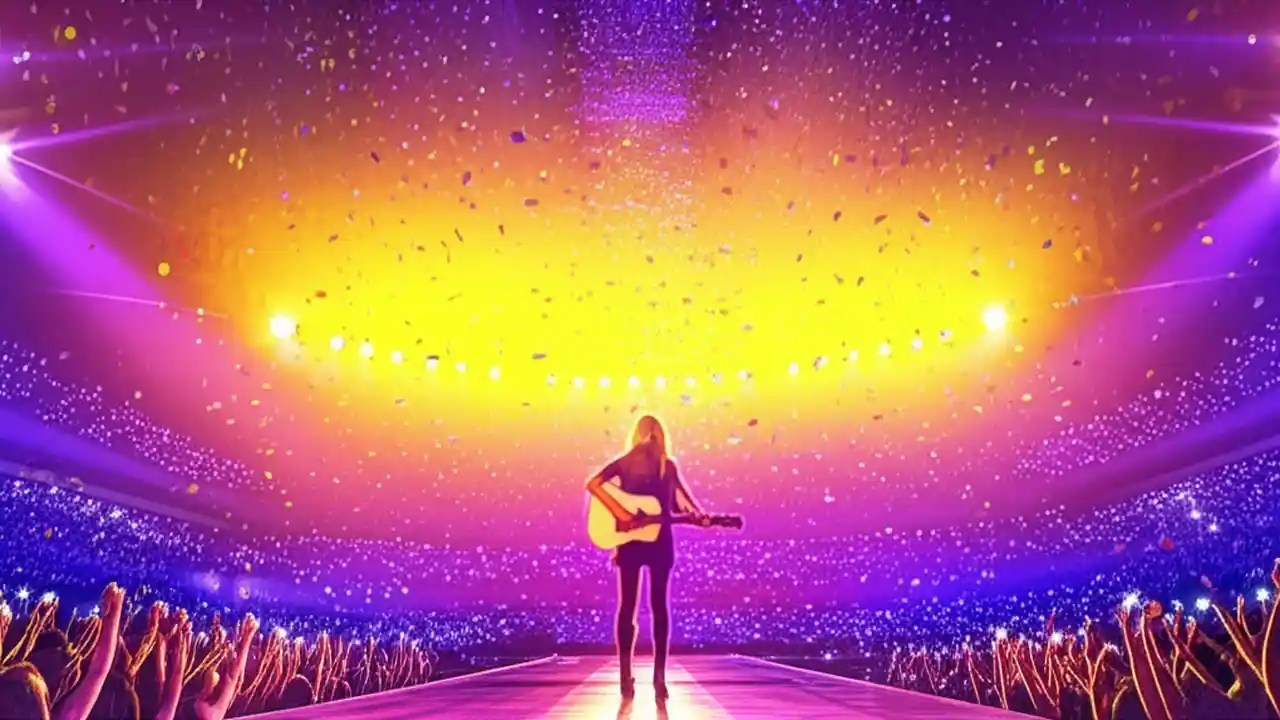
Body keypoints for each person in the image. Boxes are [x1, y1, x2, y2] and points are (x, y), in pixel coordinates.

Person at [585, 415, 706, 703]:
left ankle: (635, 678)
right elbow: (594, 484)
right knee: (653, 608)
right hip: (647, 543)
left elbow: (682, 504)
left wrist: (699, 516)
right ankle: (652, 678)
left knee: (635, 607)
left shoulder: (653, 465)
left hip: (650, 541)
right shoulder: (650, 463)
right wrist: (623, 514)